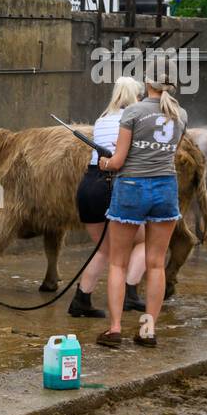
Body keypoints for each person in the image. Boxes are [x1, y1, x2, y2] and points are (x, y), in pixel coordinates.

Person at [94, 73, 188, 348]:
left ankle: (114, 329)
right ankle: (148, 329)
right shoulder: (180, 113)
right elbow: (171, 154)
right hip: (165, 188)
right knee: (156, 263)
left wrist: (105, 163)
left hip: (132, 187)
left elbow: (119, 160)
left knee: (118, 263)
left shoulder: (133, 111)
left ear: (147, 83)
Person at [69, 76, 147, 318]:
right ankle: (130, 293)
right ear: (136, 96)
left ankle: (81, 300)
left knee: (105, 250)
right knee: (148, 240)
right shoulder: (135, 119)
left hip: (89, 186)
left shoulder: (101, 119)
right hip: (114, 185)